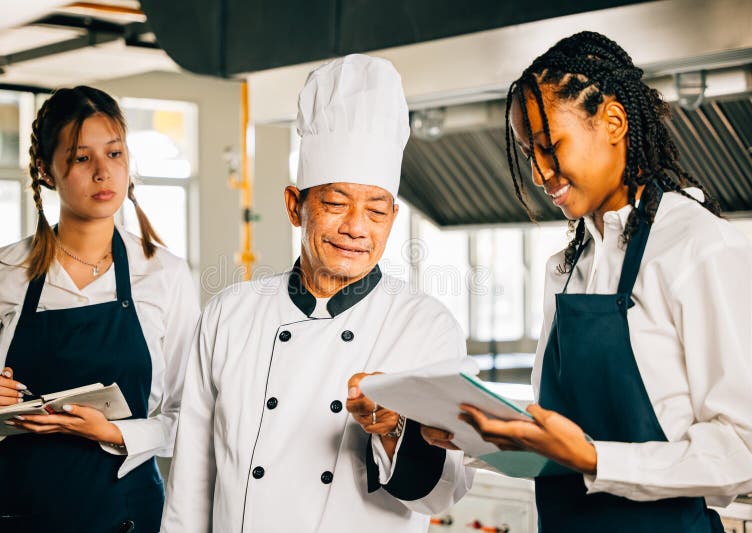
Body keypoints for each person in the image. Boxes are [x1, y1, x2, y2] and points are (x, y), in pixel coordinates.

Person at [425, 31, 752, 532]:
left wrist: (596, 459)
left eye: (550, 147)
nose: (539, 174)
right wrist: (477, 437)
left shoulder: (698, 247)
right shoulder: (567, 267)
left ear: (615, 121)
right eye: (528, 153)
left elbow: (743, 450)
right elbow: (555, 447)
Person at [162, 54, 473, 533]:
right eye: (334, 203)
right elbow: (191, 482)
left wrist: (394, 430)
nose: (356, 228)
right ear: (294, 205)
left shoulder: (425, 326)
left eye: (376, 211)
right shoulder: (229, 315)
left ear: (392, 218)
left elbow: (442, 494)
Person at [0, 86, 200, 533]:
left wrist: (113, 433)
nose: (104, 172)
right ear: (47, 171)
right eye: (82, 158)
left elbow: (188, 416)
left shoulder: (165, 274)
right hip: (19, 514)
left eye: (115, 153)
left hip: (125, 513)